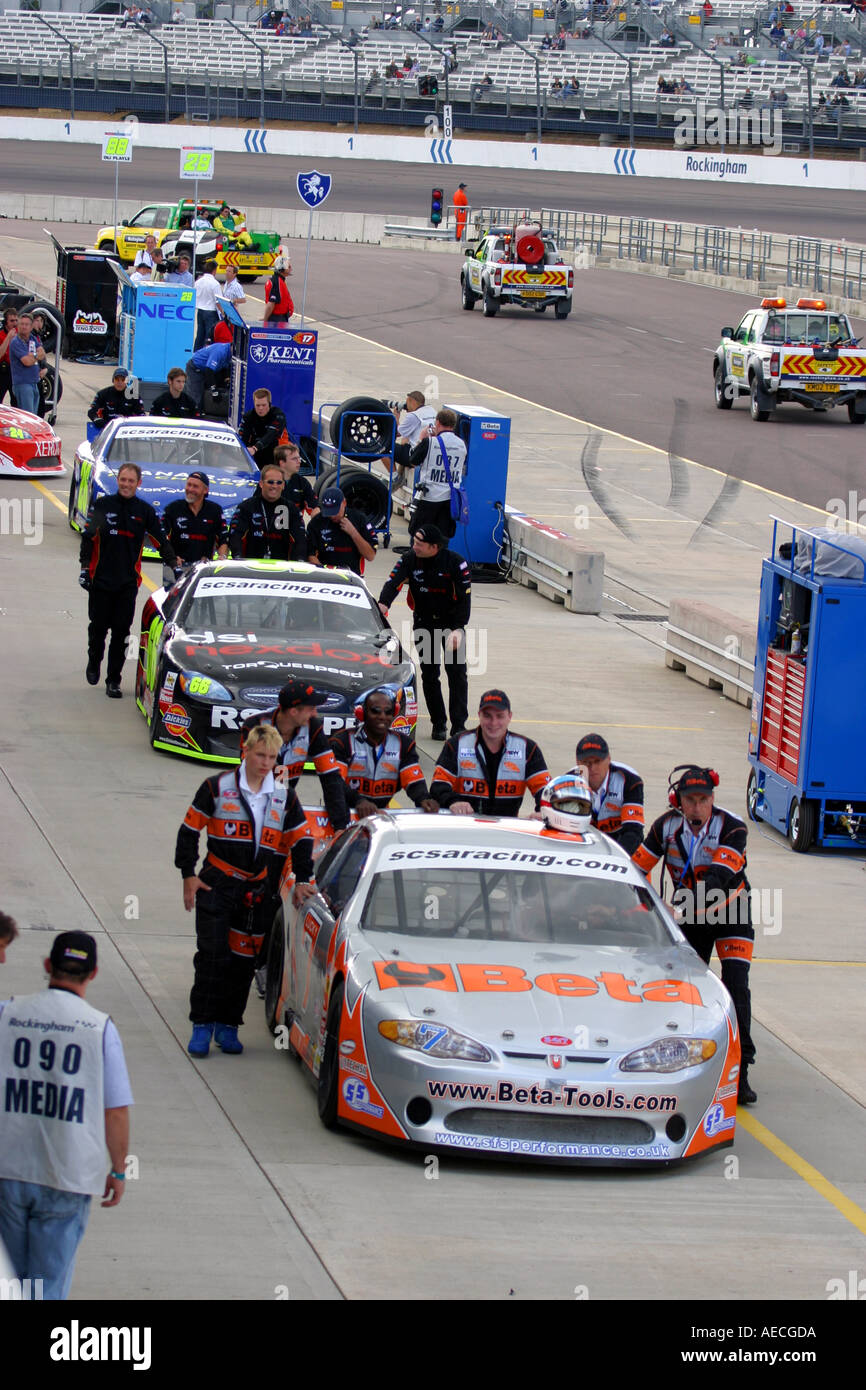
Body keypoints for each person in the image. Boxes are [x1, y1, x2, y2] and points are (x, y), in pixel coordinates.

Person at [0, 930, 133, 1301]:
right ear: (93, 974)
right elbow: (116, 1111)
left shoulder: (7, 1014)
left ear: (47, 966)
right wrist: (119, 1169)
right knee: (46, 1287)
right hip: (68, 1175)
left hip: (7, 1168)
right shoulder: (100, 1029)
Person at [175, 724, 317, 1057]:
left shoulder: (284, 794)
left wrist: (303, 881)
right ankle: (201, 1025)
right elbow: (188, 830)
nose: (266, 763)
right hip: (216, 884)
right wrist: (187, 874)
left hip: (257, 890)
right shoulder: (215, 786)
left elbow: (302, 839)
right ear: (245, 752)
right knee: (211, 956)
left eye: (272, 756)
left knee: (243, 962)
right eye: (260, 755)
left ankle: (228, 1025)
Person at [632, 765, 757, 1105]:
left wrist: (676, 911)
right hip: (689, 916)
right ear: (679, 802)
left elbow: (717, 879)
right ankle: (681, 1062)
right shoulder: (665, 827)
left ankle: (741, 1070)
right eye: (691, 800)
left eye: (704, 800)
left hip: (731, 911)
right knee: (684, 990)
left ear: (713, 800)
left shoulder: (732, 828)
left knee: (736, 985)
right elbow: (636, 870)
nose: (698, 807)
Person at [79, 462, 178, 697]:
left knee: (121, 633)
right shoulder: (103, 505)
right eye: (122, 480)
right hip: (100, 581)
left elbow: (161, 541)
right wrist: (84, 569)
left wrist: (174, 564)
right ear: (118, 481)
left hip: (127, 584)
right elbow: (88, 538)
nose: (125, 484)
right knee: (98, 629)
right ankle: (94, 662)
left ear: (138, 483)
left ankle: (113, 680)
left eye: (130, 481)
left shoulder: (144, 511)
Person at [378, 524, 471, 740]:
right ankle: (438, 723)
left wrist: (458, 628)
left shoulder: (456, 563)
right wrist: (383, 604)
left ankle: (458, 725)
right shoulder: (410, 559)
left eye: (419, 544)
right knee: (430, 675)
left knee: (457, 674)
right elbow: (393, 582)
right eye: (414, 542)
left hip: (451, 625)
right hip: (424, 623)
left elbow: (465, 600)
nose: (414, 546)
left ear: (434, 547)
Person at [240, 678, 349, 831]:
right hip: (250, 804)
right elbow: (251, 774)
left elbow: (330, 777)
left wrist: (340, 826)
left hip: (284, 802)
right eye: (311, 708)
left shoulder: (312, 727)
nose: (315, 713)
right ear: (293, 711)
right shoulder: (255, 725)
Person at [431, 689, 549, 815]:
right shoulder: (456, 744)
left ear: (510, 716)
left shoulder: (527, 749)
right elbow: (438, 785)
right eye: (487, 716)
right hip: (465, 827)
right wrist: (453, 802)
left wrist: (543, 813)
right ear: (479, 715)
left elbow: (547, 792)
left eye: (500, 716)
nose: (493, 723)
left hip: (505, 830)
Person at [330, 688, 439, 818]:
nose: (382, 716)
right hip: (343, 814)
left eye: (388, 712)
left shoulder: (404, 744)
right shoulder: (342, 741)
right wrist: (358, 801)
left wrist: (424, 799)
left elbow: (413, 781)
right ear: (362, 713)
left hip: (379, 816)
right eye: (375, 711)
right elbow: (335, 783)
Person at [571, 733, 644, 854]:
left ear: (609, 759)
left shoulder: (629, 780)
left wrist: (613, 859)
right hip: (585, 852)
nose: (592, 767)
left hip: (624, 850)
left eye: (597, 761)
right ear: (578, 763)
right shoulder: (569, 782)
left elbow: (634, 832)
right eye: (586, 762)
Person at [407, 406, 467, 540]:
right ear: (453, 425)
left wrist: (421, 439)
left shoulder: (430, 442)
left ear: (438, 423)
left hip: (429, 497)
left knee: (419, 535)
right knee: (443, 538)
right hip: (450, 499)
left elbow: (412, 460)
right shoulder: (461, 444)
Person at [228, 461, 307, 560]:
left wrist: (299, 562)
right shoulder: (246, 507)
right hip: (250, 567)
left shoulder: (292, 510)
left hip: (282, 569)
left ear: (283, 485)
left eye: (279, 482)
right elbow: (235, 536)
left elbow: (300, 540)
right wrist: (237, 558)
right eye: (270, 482)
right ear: (261, 484)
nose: (274, 486)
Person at [162, 471, 229, 568]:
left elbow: (223, 540)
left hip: (204, 568)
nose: (190, 489)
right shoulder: (172, 509)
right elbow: (162, 538)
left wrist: (222, 557)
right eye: (188, 485)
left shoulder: (215, 511)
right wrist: (172, 558)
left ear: (205, 490)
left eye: (195, 486)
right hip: (176, 565)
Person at [305, 486, 377, 576]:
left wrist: (353, 533)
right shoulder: (316, 522)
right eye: (329, 512)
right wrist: (326, 573)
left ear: (344, 503)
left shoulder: (359, 519)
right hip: (324, 575)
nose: (332, 516)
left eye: (335, 511)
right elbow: (310, 555)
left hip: (352, 576)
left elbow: (370, 556)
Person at [184, 321, 233, 410]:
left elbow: (225, 369)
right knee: (196, 397)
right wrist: (214, 390)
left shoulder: (229, 354)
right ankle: (192, 416)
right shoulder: (220, 351)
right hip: (195, 367)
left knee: (206, 395)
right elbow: (209, 371)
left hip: (206, 368)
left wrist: (227, 381)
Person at [239, 387, 288, 473]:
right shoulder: (248, 417)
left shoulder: (278, 415)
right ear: (254, 404)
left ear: (269, 404)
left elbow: (271, 435)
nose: (261, 408)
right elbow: (243, 438)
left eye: (263, 405)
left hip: (276, 456)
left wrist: (255, 448)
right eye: (258, 405)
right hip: (255, 458)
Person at [8, 312, 46, 417]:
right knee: (28, 417)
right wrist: (35, 355)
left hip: (34, 382)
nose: (24, 327)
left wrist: (32, 355)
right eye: (21, 324)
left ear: (31, 326)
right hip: (23, 384)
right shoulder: (16, 342)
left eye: (26, 324)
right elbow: (27, 362)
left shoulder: (33, 339)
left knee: (34, 416)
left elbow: (42, 353)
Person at [275, 441, 317, 517]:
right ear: (282, 463)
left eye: (299, 458)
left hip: (296, 527)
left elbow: (314, 507)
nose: (299, 461)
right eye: (294, 459)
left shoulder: (303, 483)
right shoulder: (268, 482)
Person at [194, 259, 222, 350]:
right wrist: (223, 313)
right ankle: (207, 353)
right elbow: (218, 302)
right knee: (209, 336)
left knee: (200, 335)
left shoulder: (198, 282)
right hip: (211, 312)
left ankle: (196, 353)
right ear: (214, 270)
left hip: (200, 311)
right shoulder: (215, 284)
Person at [262, 257, 294, 325]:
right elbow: (271, 304)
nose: (291, 269)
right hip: (277, 320)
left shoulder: (279, 280)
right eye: (289, 267)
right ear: (282, 268)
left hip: (280, 319)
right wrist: (265, 320)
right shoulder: (277, 282)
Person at [0, 307, 19, 406]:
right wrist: (8, 338)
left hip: (15, 372)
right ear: (6, 322)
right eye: (12, 321)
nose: (15, 323)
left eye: (16, 320)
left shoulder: (20, 335)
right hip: (3, 372)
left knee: (16, 402)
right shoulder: (1, 335)